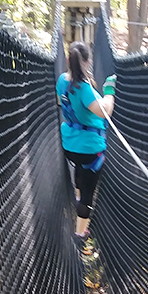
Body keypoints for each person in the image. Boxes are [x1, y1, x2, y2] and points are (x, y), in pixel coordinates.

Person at [56, 41, 117, 239]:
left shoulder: (62, 81)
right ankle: (80, 233)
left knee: (81, 170)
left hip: (70, 145)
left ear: (68, 60)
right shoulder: (84, 89)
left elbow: (62, 102)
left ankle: (77, 197)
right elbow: (105, 111)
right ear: (88, 61)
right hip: (90, 149)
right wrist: (109, 91)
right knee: (90, 191)